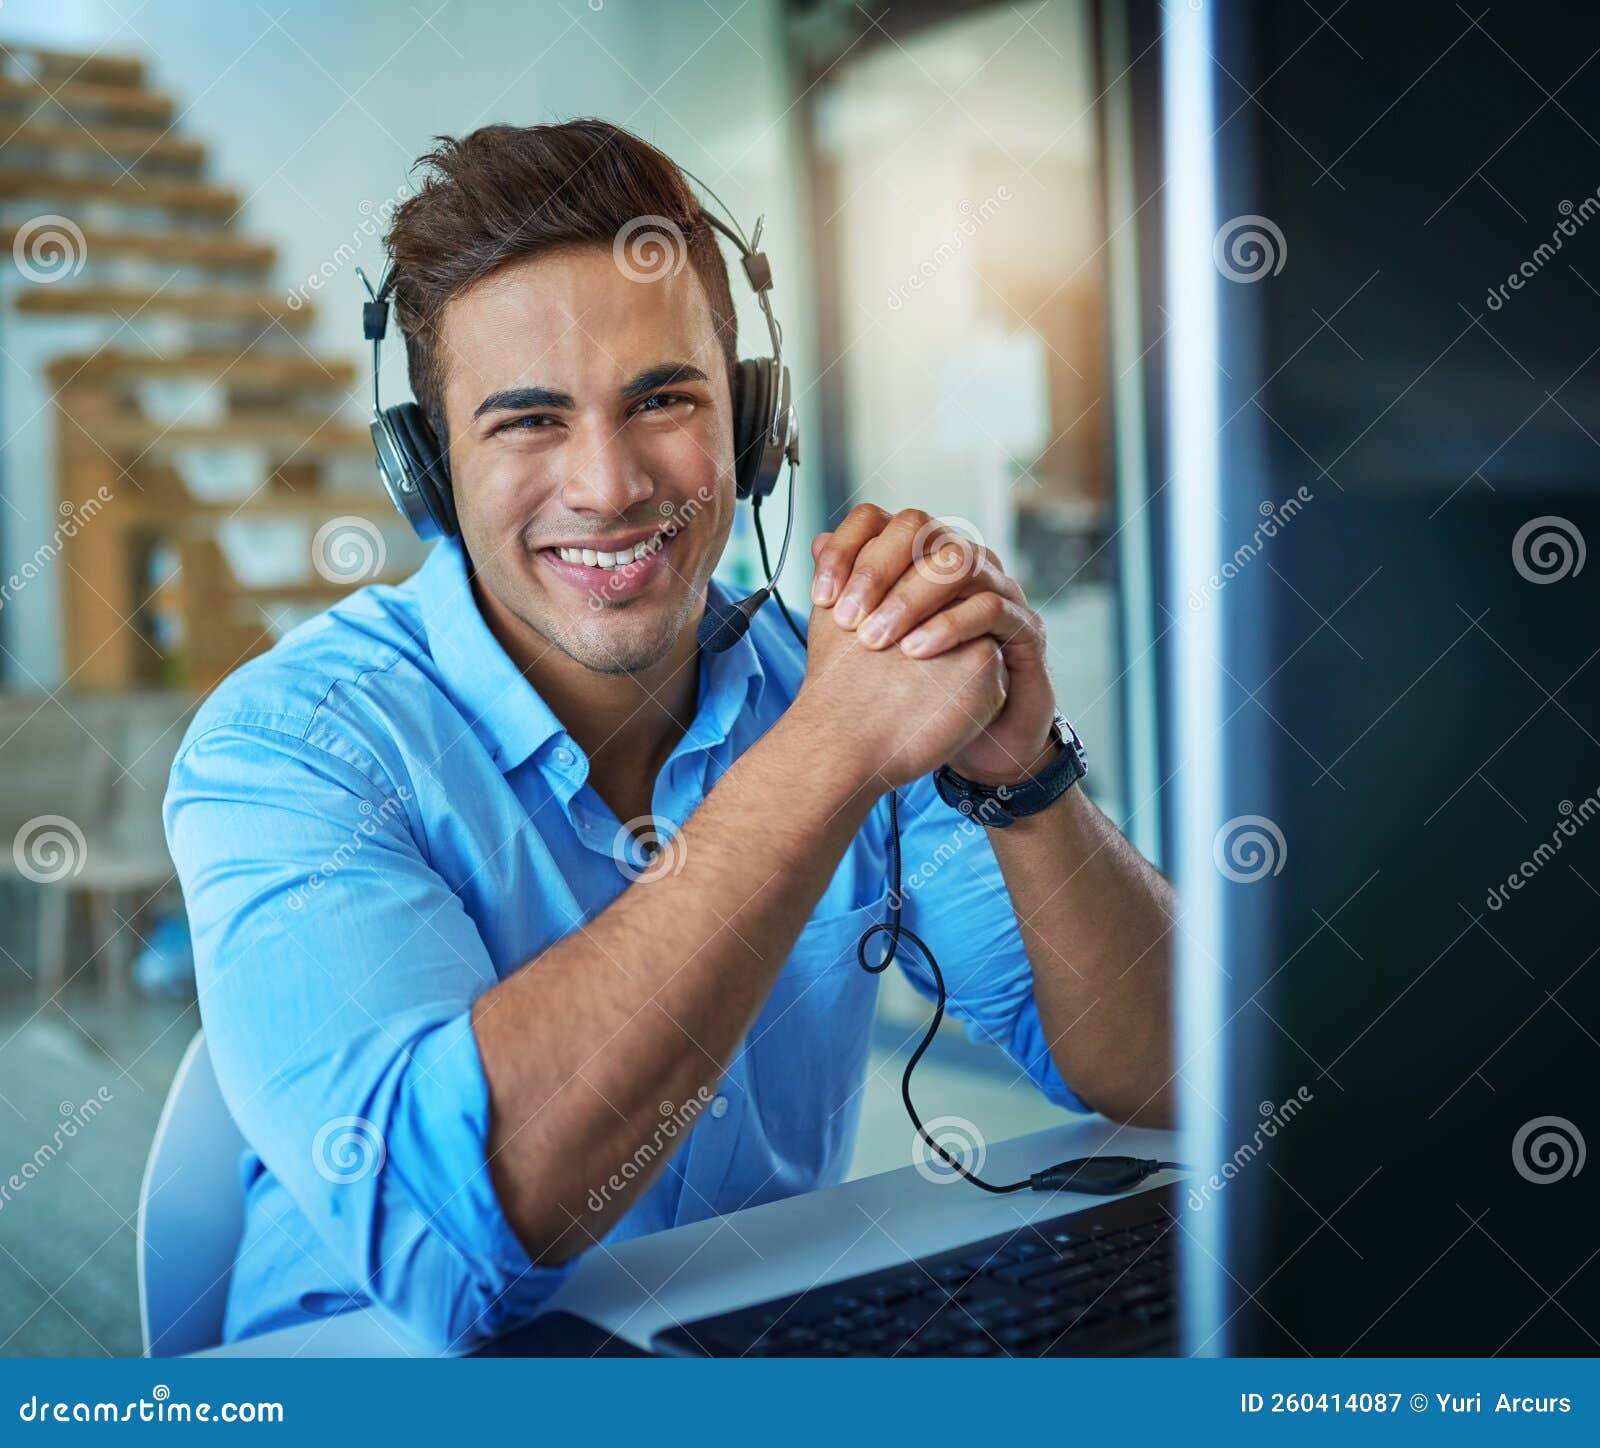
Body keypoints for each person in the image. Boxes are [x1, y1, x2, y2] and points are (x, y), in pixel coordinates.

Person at [164, 119, 1176, 1352]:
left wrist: (1026, 781)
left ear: (751, 427)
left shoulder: (832, 682)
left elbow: (1179, 1074)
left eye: (661, 398)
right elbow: (460, 1237)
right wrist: (827, 751)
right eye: (528, 421)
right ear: (428, 467)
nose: (607, 483)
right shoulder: (291, 748)